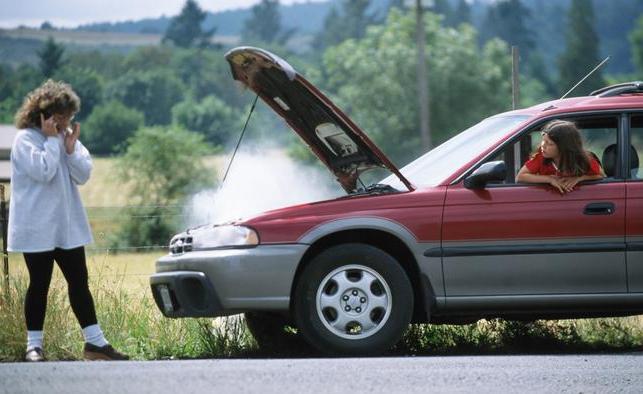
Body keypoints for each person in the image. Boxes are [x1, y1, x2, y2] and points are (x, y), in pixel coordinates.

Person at [9, 80, 128, 362]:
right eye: (61, 117)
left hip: (66, 225)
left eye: (69, 117)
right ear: (43, 113)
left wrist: (71, 148)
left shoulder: (64, 137)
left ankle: (95, 344)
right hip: (37, 226)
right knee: (39, 284)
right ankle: (33, 347)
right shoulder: (25, 140)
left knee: (79, 282)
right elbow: (44, 171)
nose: (66, 122)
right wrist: (52, 141)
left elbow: (83, 175)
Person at [516, 119, 605, 193]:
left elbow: (601, 175)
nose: (543, 145)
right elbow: (520, 177)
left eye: (549, 143)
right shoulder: (541, 156)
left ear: (564, 147)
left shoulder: (583, 159)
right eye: (543, 141)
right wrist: (549, 179)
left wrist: (579, 178)